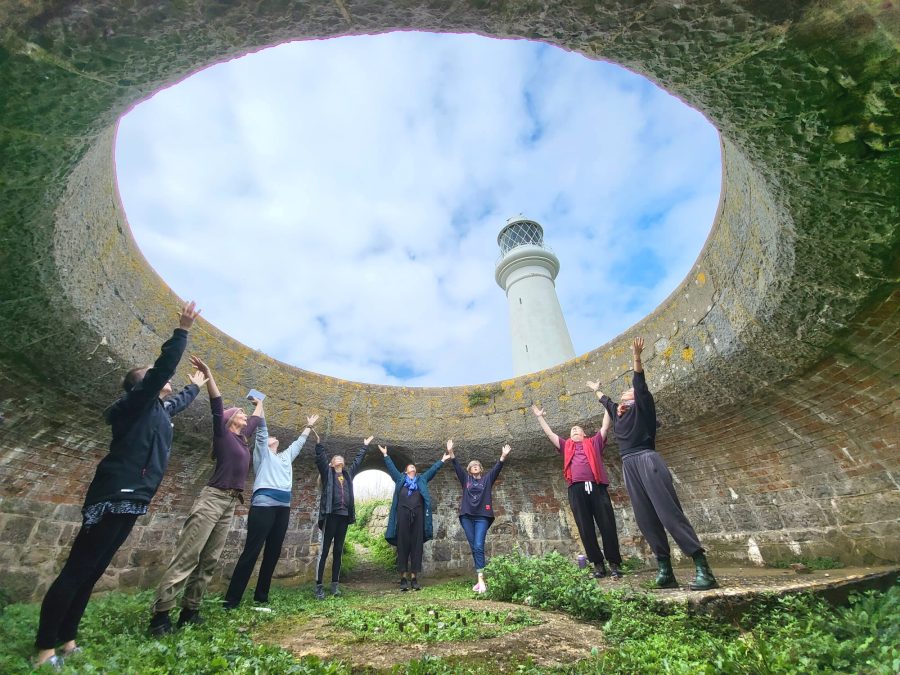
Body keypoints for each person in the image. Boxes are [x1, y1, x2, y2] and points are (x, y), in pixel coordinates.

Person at [34, 301, 203, 668]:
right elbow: (160, 374)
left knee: (93, 571)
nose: (161, 381)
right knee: (78, 569)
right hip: (114, 495)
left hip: (134, 497)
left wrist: (196, 387)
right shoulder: (136, 404)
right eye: (150, 377)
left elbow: (176, 402)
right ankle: (44, 648)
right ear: (137, 386)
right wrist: (182, 331)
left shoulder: (156, 411)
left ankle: (68, 640)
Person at [589, 337, 718, 591]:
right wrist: (596, 388)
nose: (626, 392)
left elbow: (640, 383)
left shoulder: (644, 408)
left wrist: (636, 358)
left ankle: (703, 567)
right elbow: (605, 400)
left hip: (647, 459)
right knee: (645, 517)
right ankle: (665, 570)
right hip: (629, 465)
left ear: (635, 398)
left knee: (668, 513)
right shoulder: (618, 414)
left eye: (629, 391)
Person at [148, 359, 262, 635]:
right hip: (212, 499)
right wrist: (209, 376)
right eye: (240, 414)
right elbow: (217, 404)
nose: (245, 416)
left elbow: (258, 416)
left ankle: (190, 610)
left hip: (230, 503)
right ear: (230, 418)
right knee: (189, 555)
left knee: (210, 559)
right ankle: (161, 616)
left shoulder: (242, 438)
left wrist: (259, 399)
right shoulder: (223, 434)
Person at [222, 406, 320, 609]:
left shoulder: (285, 457)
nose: (273, 437)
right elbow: (262, 431)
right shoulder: (262, 455)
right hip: (263, 506)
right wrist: (261, 406)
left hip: (283, 508)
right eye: (269, 437)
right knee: (251, 551)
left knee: (273, 552)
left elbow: (298, 444)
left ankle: (261, 597)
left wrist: (308, 427)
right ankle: (231, 601)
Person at [531, 404, 623, 579]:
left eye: (577, 429)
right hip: (576, 489)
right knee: (585, 527)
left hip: (596, 486)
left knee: (607, 525)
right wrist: (540, 417)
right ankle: (598, 564)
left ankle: (614, 563)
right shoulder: (566, 446)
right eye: (572, 430)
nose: (574, 431)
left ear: (584, 434)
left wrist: (606, 404)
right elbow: (550, 434)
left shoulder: (593, 442)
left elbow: (605, 426)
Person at [379, 443, 451, 590]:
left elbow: (432, 471)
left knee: (416, 547)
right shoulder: (400, 479)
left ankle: (414, 578)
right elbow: (392, 469)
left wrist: (442, 460)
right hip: (403, 516)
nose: (412, 467)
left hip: (418, 517)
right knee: (403, 546)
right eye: (410, 467)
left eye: (414, 466)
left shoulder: (421, 480)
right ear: (405, 471)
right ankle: (403, 579)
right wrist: (386, 455)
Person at [447, 440, 511, 593]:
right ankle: (479, 580)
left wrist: (503, 456)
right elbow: (456, 466)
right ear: (469, 470)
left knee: (478, 545)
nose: (475, 466)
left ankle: (481, 580)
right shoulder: (466, 480)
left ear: (481, 469)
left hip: (482, 516)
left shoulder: (486, 480)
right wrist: (451, 452)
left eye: (477, 465)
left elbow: (497, 469)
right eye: (472, 466)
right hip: (467, 517)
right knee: (474, 547)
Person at [313, 435, 371, 599]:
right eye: (335, 458)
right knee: (324, 551)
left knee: (338, 551)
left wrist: (364, 446)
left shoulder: (347, 475)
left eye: (341, 458)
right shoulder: (327, 473)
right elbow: (321, 459)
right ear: (332, 463)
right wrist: (319, 444)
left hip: (344, 517)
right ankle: (318, 586)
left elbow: (357, 462)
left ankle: (334, 586)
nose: (339, 459)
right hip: (330, 516)